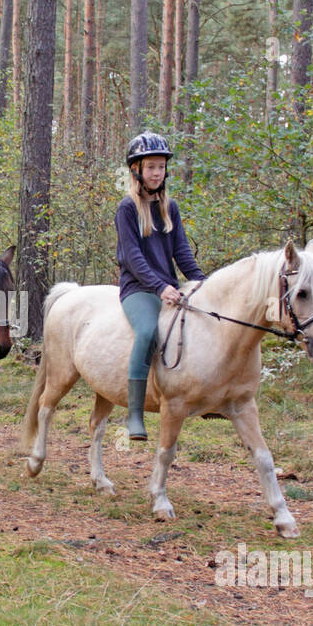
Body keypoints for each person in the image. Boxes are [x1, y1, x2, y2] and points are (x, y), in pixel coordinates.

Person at [115, 132, 208, 440]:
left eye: (161, 167)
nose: (156, 172)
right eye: (151, 167)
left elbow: (182, 252)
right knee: (147, 332)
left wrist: (201, 284)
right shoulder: (127, 209)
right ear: (136, 170)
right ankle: (135, 414)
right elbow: (133, 258)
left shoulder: (172, 208)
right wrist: (158, 287)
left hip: (167, 287)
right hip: (138, 289)